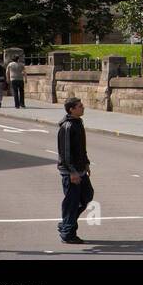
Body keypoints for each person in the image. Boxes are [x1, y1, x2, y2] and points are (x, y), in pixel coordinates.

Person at [56, 97, 94, 244]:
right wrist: (72, 172)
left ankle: (66, 223)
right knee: (72, 202)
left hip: (80, 169)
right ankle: (68, 232)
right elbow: (65, 153)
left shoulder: (78, 123)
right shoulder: (67, 127)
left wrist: (86, 163)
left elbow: (81, 148)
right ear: (71, 109)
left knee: (87, 195)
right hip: (70, 171)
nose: (83, 108)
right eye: (80, 106)